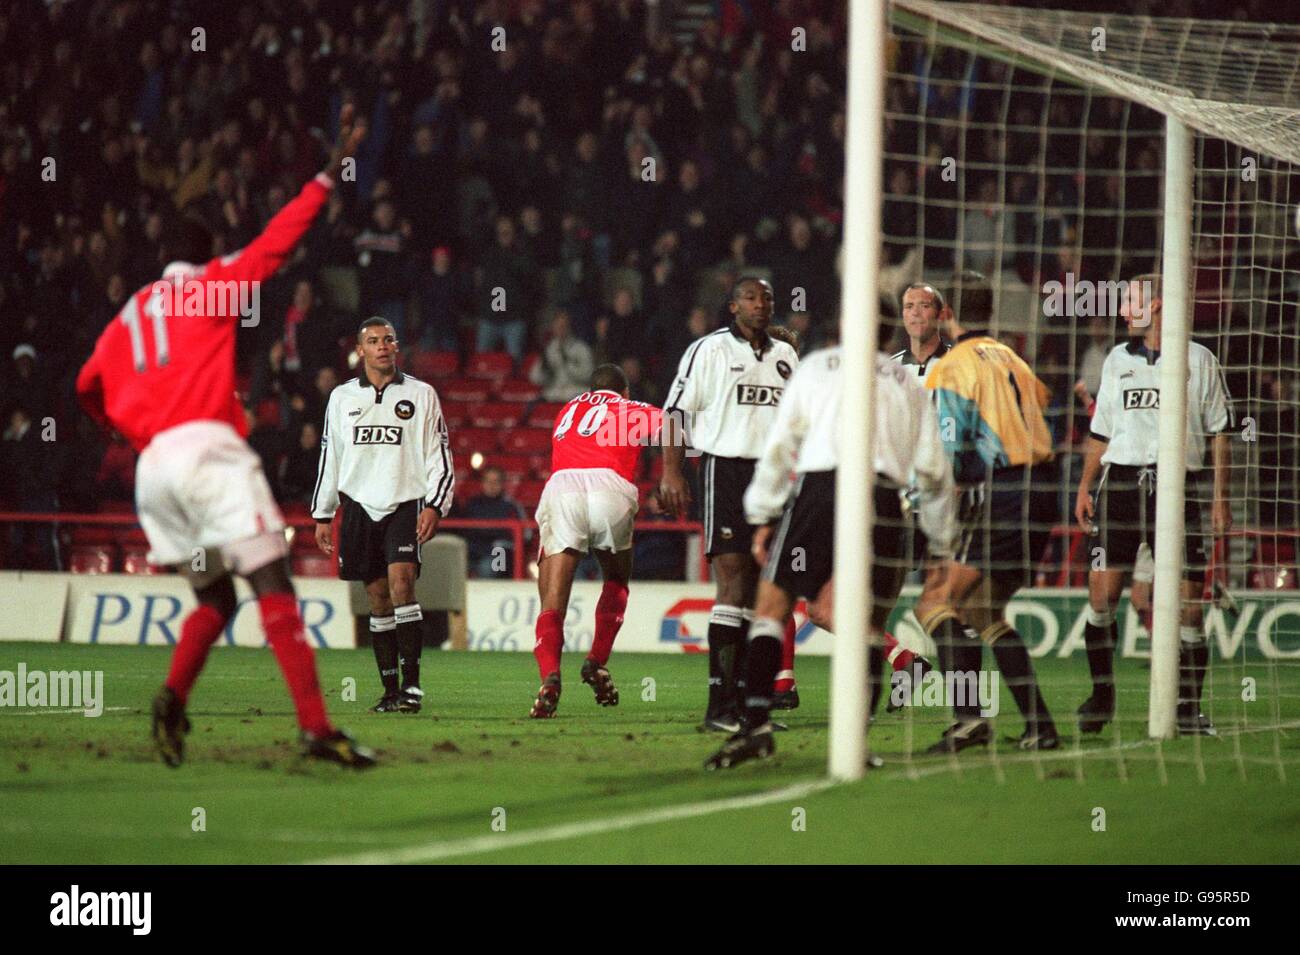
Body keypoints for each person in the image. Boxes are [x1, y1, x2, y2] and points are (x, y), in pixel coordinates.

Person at [75, 105, 373, 769]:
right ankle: (317, 727)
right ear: (209, 252)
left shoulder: (129, 312)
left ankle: (173, 699)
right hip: (208, 453)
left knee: (214, 594)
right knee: (272, 582)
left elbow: (85, 386)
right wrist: (324, 179)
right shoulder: (211, 287)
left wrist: (130, 430)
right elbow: (274, 244)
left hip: (154, 471)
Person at [705, 347, 957, 769]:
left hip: (821, 491)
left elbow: (782, 441)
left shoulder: (817, 366)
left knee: (770, 609)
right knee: (868, 627)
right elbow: (933, 469)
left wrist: (762, 512)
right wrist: (942, 539)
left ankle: (755, 728)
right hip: (884, 499)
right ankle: (855, 744)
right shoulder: (906, 381)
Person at [1074, 274, 1232, 736]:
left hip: (1176, 488)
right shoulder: (1116, 360)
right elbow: (1101, 432)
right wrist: (1086, 486)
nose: (1123, 310)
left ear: (1158, 305)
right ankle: (1101, 696)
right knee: (1101, 594)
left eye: (1131, 302)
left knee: (1188, 606)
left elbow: (1222, 429)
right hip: (1121, 486)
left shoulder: (1198, 360)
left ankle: (1186, 707)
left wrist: (1220, 498)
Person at [913, 270, 1061, 752]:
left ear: (946, 314)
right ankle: (1040, 725)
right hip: (1043, 489)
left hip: (1003, 491)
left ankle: (969, 719)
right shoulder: (1011, 356)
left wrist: (927, 506)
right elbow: (1043, 399)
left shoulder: (951, 366)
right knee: (981, 608)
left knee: (934, 602)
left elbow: (952, 456)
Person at [659, 276, 800, 732]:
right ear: (733, 306)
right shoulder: (710, 350)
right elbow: (676, 412)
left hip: (772, 477)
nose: (762, 305)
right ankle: (720, 705)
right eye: (751, 298)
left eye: (768, 298)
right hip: (726, 469)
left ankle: (748, 704)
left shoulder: (785, 356)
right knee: (734, 580)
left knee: (765, 592)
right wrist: (672, 472)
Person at [312, 317, 455, 714]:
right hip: (359, 506)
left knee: (402, 584)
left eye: (389, 340)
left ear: (397, 347)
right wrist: (323, 513)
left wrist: (434, 505)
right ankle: (390, 691)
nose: (382, 346)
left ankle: (412, 688)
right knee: (376, 599)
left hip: (403, 503)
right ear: (361, 350)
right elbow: (331, 456)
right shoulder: (342, 398)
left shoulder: (422, 394)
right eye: (373, 341)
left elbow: (438, 454)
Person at [530, 364, 663, 719]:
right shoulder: (629, 409)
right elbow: (676, 428)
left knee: (553, 597)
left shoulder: (567, 409)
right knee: (616, 578)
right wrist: (672, 476)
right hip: (611, 487)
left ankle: (549, 679)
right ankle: (596, 661)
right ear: (625, 392)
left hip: (563, 488)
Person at [462, 466, 527, 578]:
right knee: (454, 564)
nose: (491, 485)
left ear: (502, 484)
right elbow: (464, 532)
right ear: (482, 483)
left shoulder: (512, 506)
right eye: (488, 481)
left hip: (500, 552)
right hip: (474, 550)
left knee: (489, 567)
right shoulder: (472, 504)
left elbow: (525, 535)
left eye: (496, 481)